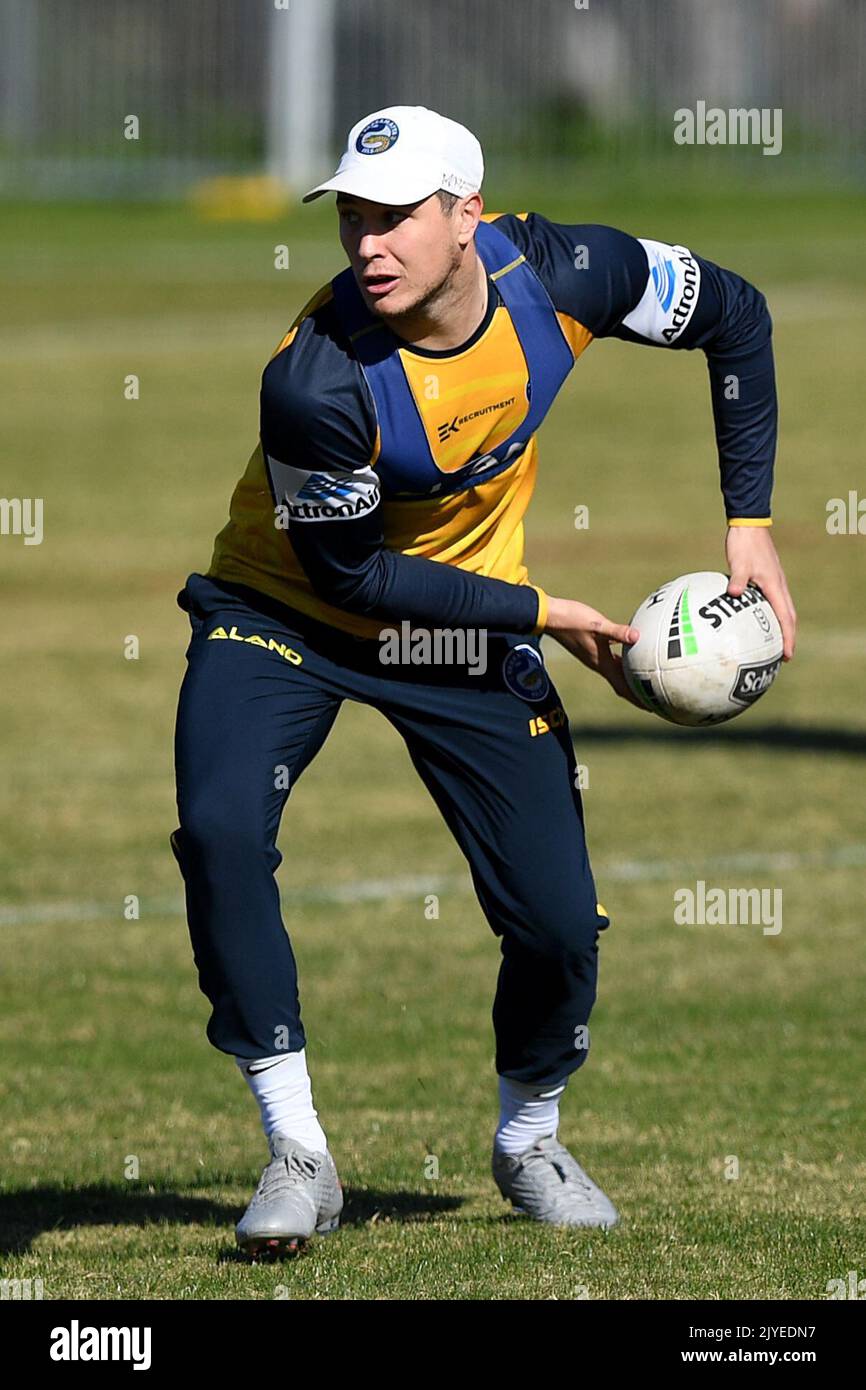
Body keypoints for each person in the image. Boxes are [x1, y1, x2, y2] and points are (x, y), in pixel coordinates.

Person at [171, 105, 797, 1254]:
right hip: (285, 609)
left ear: (467, 216)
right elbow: (354, 582)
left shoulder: (566, 272)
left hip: (462, 627)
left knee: (558, 920)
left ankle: (529, 1135)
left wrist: (746, 524)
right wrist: (550, 613)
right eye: (353, 216)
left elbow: (737, 317)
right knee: (217, 829)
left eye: (397, 216)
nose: (368, 244)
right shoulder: (315, 380)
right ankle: (296, 1152)